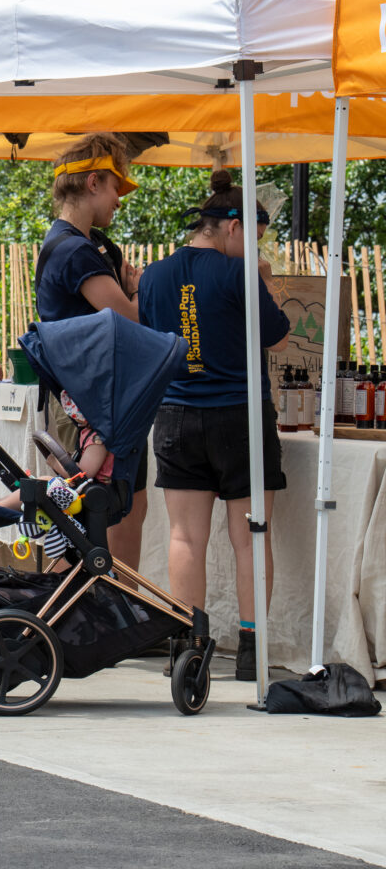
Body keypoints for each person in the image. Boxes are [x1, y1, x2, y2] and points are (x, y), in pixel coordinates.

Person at [138, 174, 288, 682]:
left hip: (176, 414)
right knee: (251, 535)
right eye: (255, 238)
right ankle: (251, 647)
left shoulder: (155, 277)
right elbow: (276, 335)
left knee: (184, 536)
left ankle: (189, 642)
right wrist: (262, 280)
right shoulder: (238, 274)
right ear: (233, 227)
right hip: (240, 414)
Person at [34, 133, 147, 571]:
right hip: (86, 409)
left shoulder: (93, 244)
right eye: (118, 187)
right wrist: (139, 290)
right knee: (82, 520)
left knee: (125, 514)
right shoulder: (75, 251)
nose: (120, 200)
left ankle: (122, 620)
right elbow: (130, 320)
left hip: (109, 405)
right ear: (94, 181)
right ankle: (64, 625)